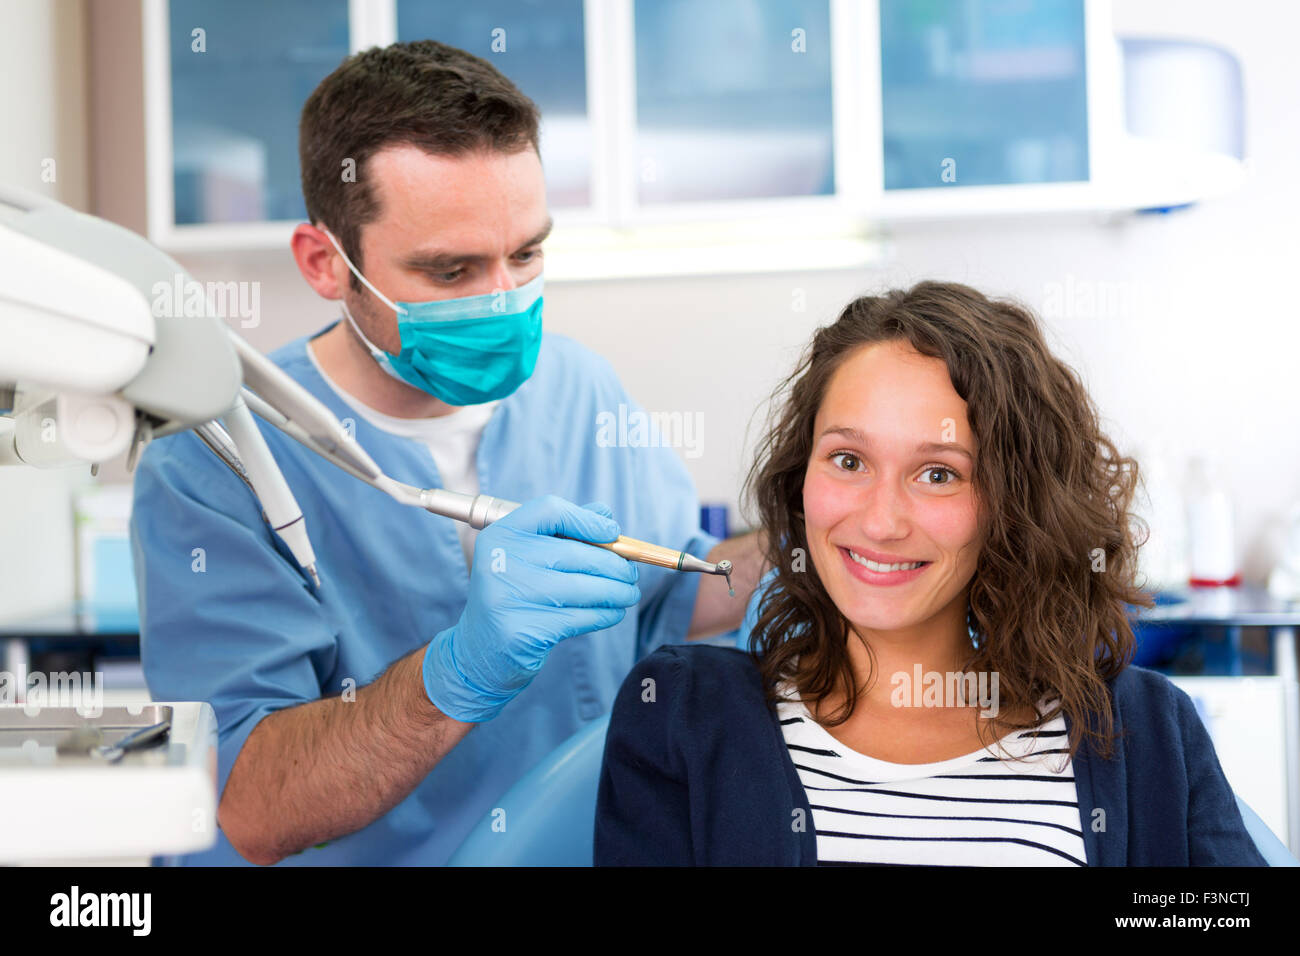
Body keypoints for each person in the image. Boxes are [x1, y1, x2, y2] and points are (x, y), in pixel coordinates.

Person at [129, 40, 763, 866]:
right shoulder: (214, 459)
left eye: (526, 254)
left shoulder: (579, 388)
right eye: (451, 269)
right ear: (327, 263)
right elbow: (248, 804)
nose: (502, 299)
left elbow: (672, 592)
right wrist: (456, 672)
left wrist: (803, 541)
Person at [594, 281, 1266, 866]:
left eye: (938, 473)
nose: (881, 521)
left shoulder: (1143, 731)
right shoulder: (683, 712)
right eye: (848, 460)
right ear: (802, 477)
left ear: (1015, 502)